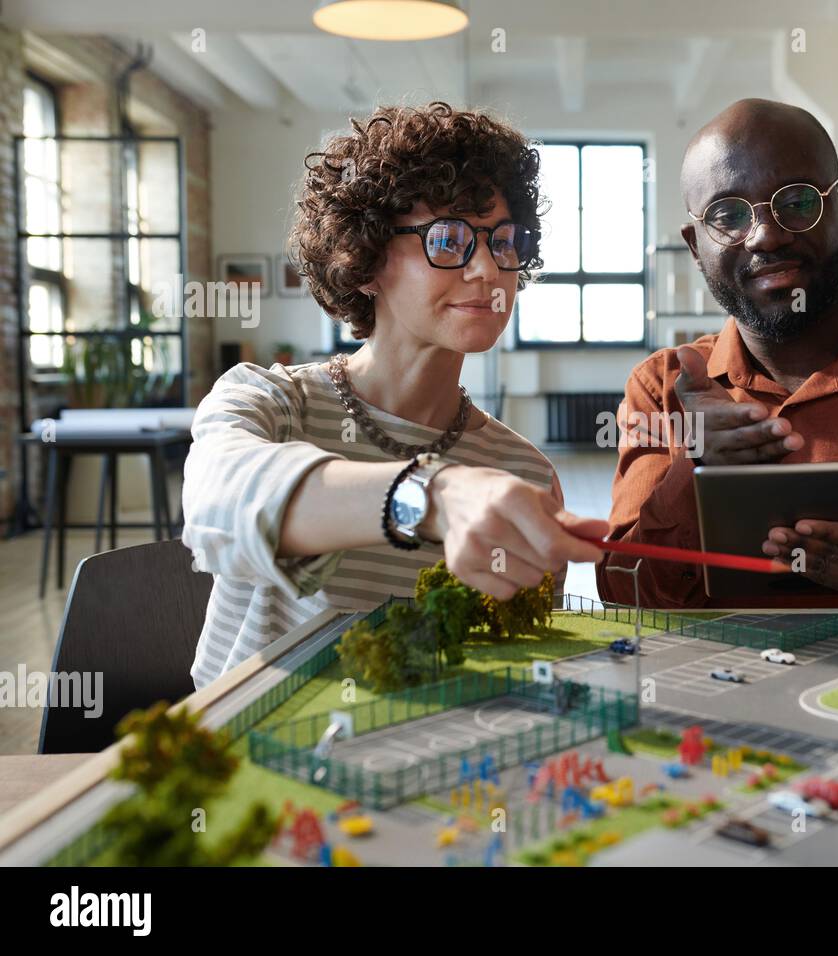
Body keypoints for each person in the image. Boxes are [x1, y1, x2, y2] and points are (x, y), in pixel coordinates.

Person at [183, 102, 607, 688]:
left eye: (504, 240)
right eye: (449, 238)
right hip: (238, 751)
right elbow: (214, 506)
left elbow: (510, 661)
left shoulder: (521, 474)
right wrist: (430, 496)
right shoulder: (272, 402)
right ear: (363, 261)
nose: (488, 268)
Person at [596, 98, 838, 609]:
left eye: (797, 202)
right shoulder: (662, 389)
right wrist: (696, 471)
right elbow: (625, 589)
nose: (766, 236)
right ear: (694, 246)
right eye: (727, 215)